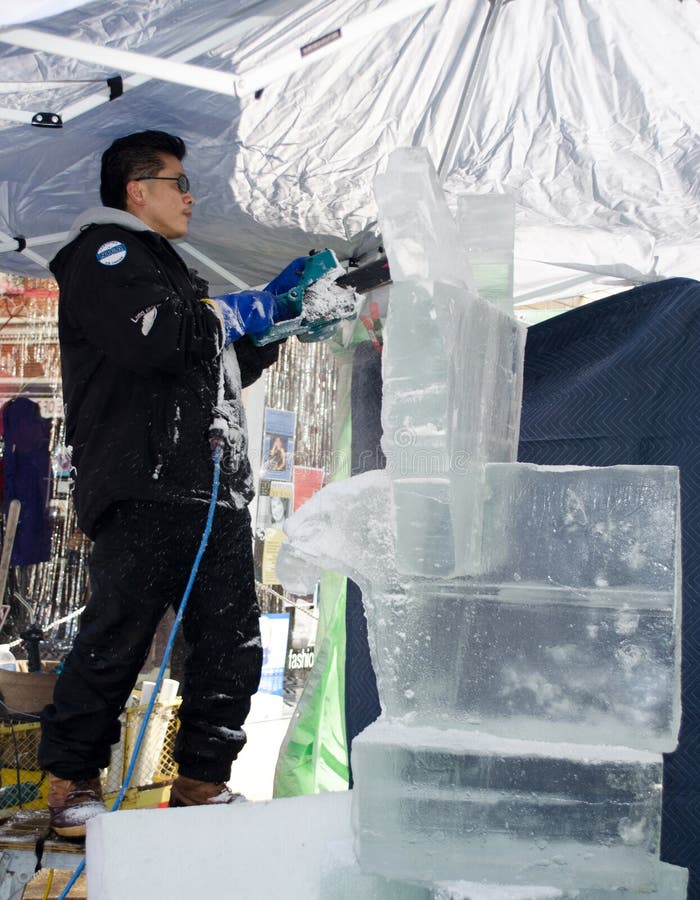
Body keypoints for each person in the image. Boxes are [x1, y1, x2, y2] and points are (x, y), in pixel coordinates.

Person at [39, 130, 296, 837]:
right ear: (136, 190)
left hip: (210, 487)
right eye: (177, 183)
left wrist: (274, 324)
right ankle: (69, 784)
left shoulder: (173, 275)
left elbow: (213, 367)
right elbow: (153, 340)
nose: (189, 196)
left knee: (232, 643)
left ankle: (201, 781)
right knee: (117, 636)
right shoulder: (105, 255)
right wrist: (227, 313)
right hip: (144, 483)